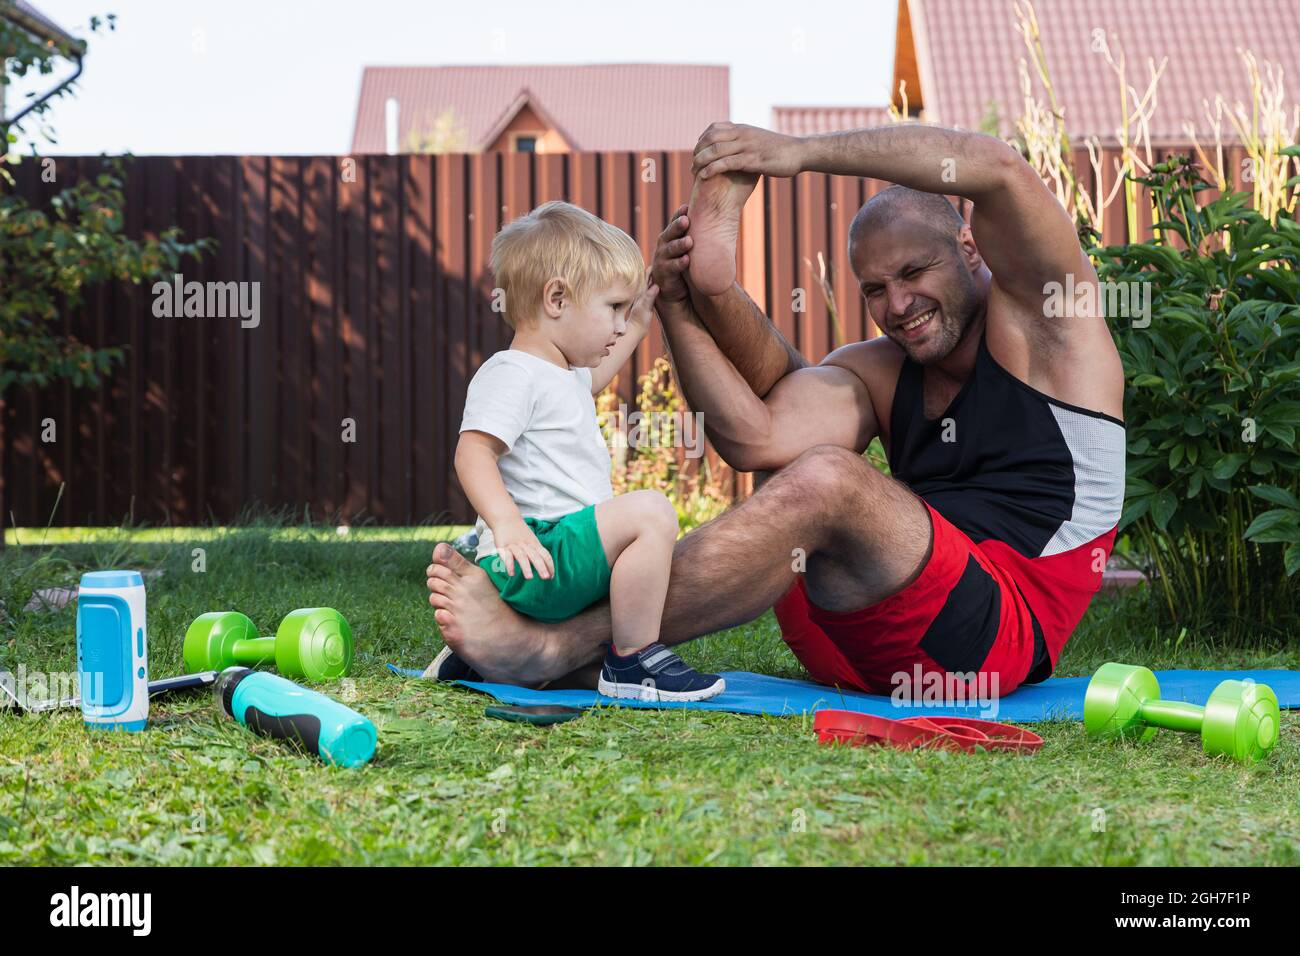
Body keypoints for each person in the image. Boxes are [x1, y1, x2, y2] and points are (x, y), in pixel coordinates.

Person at [425, 123, 1125, 701]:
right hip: (855, 634)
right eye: (875, 288)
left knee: (829, 478)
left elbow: (996, 166)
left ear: (969, 248)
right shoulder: (888, 370)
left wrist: (796, 154)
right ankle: (577, 648)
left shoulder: (1049, 321)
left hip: (991, 639)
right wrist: (690, 303)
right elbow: (756, 435)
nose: (898, 305)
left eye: (914, 274)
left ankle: (550, 646)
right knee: (805, 458)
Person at [427, 200, 725, 702]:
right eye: (612, 308)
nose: (617, 325)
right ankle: (632, 661)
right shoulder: (513, 372)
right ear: (557, 299)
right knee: (651, 512)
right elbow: (472, 453)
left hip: (551, 552)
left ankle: (476, 662)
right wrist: (507, 523)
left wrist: (639, 320)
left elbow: (598, 375)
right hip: (537, 549)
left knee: (641, 534)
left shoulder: (560, 376)